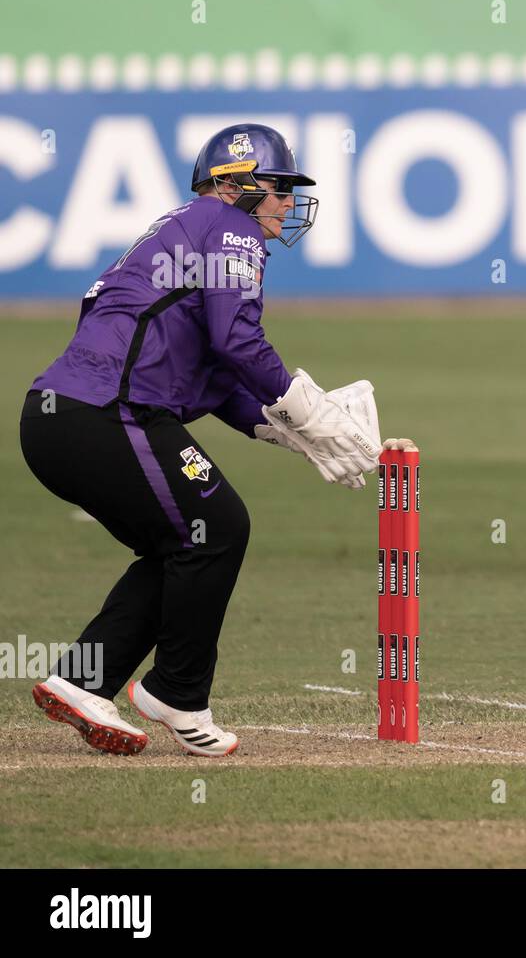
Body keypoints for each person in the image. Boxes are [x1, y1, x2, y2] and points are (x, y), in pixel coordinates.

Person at [22, 123, 381, 758]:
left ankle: (83, 681)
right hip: (107, 411)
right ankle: (177, 693)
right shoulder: (228, 228)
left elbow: (217, 382)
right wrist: (312, 410)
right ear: (235, 184)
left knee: (187, 539)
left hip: (67, 417)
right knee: (216, 526)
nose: (285, 203)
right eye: (276, 188)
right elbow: (238, 341)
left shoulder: (187, 231)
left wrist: (296, 434)